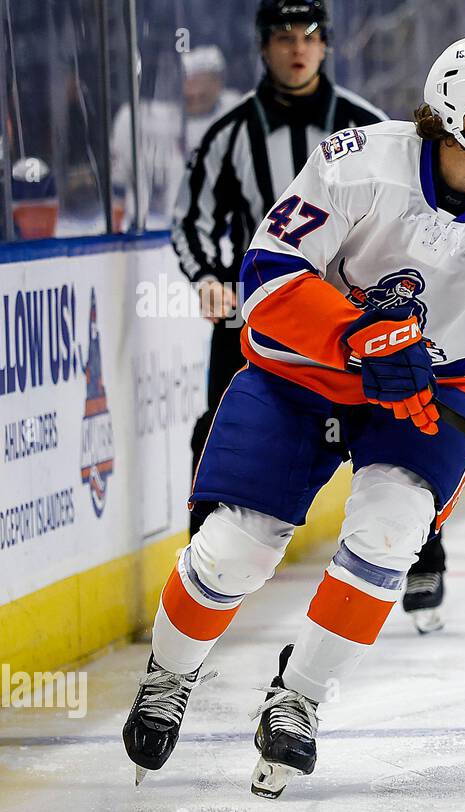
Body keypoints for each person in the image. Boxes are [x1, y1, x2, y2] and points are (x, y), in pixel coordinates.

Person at [123, 34, 465, 799]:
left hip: (430, 397)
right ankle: (168, 677)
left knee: (388, 539)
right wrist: (356, 335)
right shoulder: (356, 162)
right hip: (302, 379)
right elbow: (268, 278)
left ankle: (299, 697)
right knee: (232, 550)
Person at [171, 0, 385, 541]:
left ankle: (422, 556)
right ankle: (204, 553)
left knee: (397, 421)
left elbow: (407, 217)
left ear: (325, 44)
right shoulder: (229, 133)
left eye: (309, 35)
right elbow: (190, 221)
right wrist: (209, 280)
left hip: (349, 308)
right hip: (255, 311)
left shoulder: (370, 129)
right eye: (284, 36)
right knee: (223, 427)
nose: (297, 48)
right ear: (264, 46)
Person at [111, 46, 242, 230]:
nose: (194, 88)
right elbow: (117, 185)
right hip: (148, 237)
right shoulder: (139, 120)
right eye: (189, 78)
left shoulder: (238, 115)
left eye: (205, 79)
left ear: (218, 82)